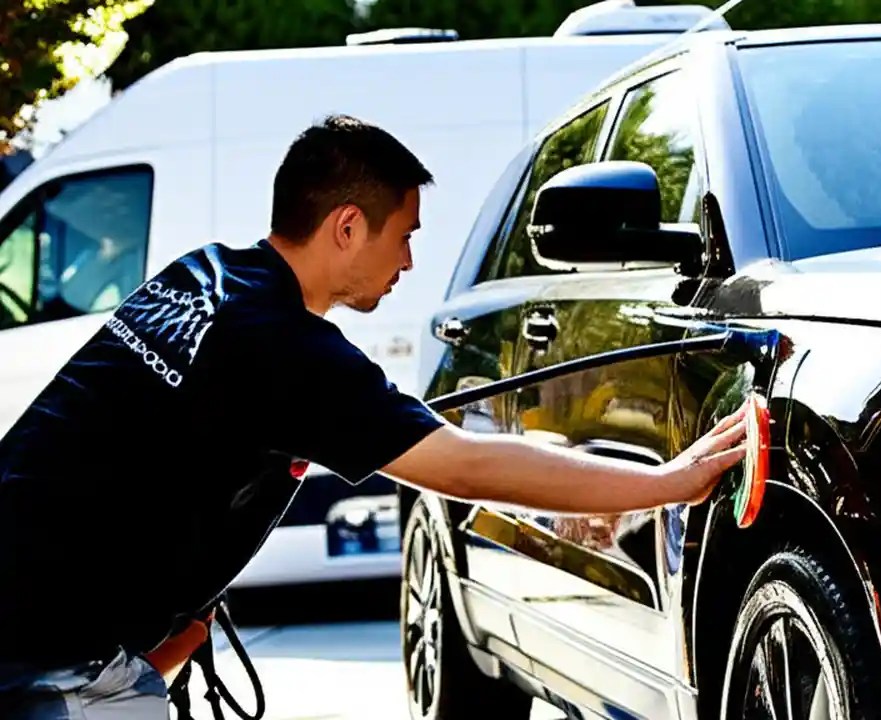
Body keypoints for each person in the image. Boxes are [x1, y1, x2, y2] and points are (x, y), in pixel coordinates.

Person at [0, 114, 749, 718]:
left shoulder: (203, 276)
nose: (410, 263)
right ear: (348, 226)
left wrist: (168, 638)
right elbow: (466, 464)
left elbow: (125, 450)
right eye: (406, 234)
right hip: (50, 660)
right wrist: (669, 482)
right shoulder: (288, 350)